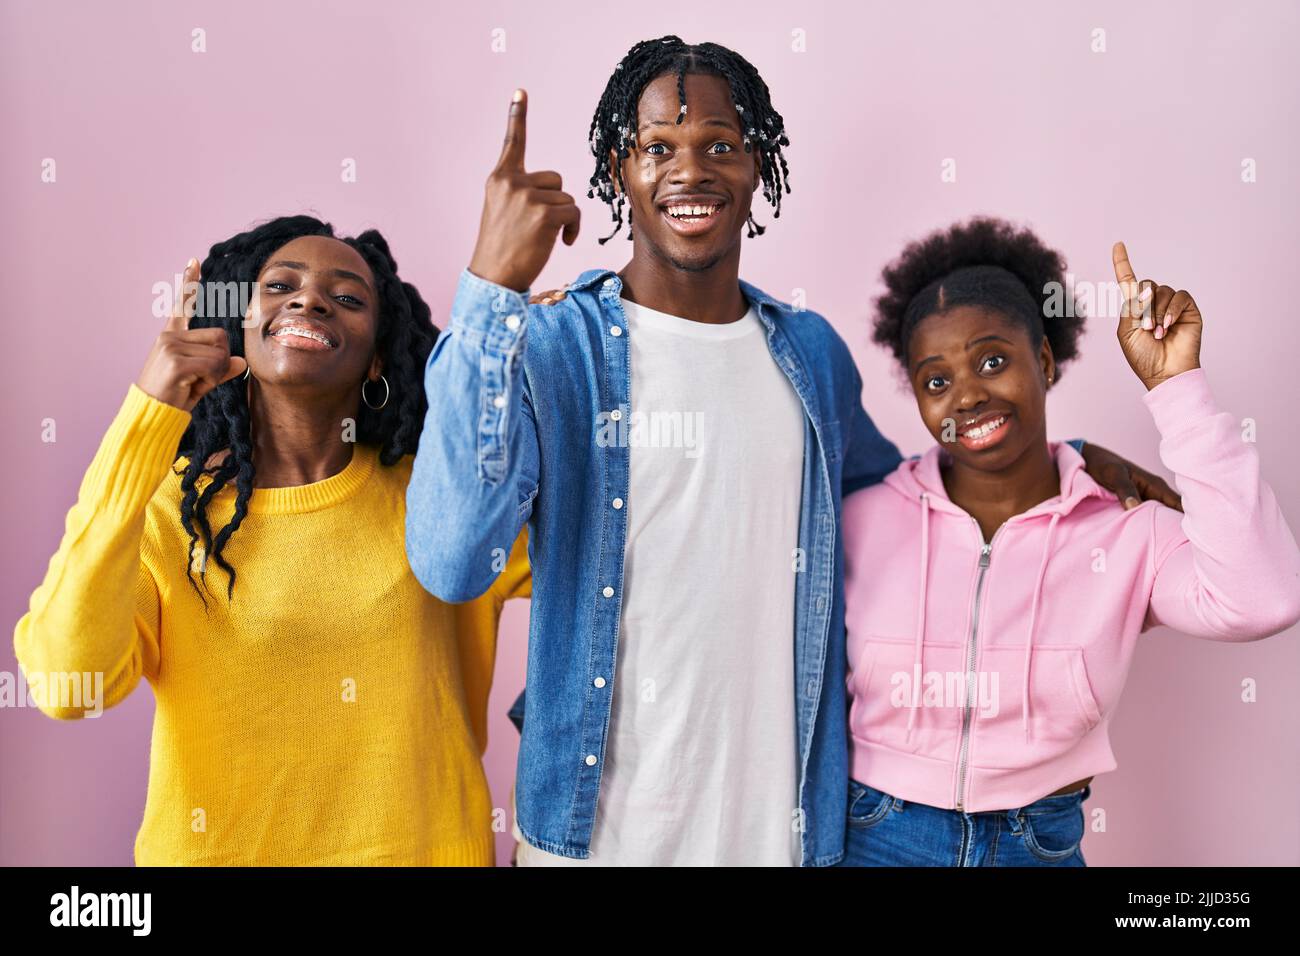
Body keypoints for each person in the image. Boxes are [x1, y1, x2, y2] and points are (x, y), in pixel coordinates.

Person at [406, 37, 1174, 866]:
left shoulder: (809, 354)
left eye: (721, 146)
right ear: (619, 172)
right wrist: (490, 291)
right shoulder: (556, 345)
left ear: (757, 168)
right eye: (657, 148)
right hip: (595, 837)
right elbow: (453, 559)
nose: (689, 170)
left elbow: (914, 502)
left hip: (782, 834)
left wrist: (1068, 461)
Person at [13, 216, 529, 865]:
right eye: (280, 285)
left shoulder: (439, 496)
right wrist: (146, 414)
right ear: (238, 329)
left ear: (379, 354)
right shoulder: (172, 510)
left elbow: (610, 566)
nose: (309, 299)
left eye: (346, 297)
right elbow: (68, 683)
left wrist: (542, 365)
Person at [837, 217, 1300, 866]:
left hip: (1038, 842)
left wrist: (1176, 389)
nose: (967, 395)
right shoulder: (861, 517)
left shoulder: (1126, 529)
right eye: (936, 381)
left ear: (1046, 360)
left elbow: (1266, 598)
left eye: (992, 361)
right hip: (876, 834)